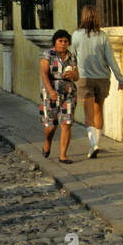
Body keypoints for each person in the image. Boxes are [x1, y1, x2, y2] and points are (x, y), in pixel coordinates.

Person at [72, 4, 123, 159]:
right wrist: (120, 79)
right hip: (102, 77)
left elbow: (73, 57)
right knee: (98, 110)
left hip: (84, 78)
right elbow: (111, 59)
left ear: (83, 17)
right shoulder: (102, 36)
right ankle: (97, 143)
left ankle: (93, 144)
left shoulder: (76, 36)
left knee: (88, 113)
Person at [39, 28, 79, 163]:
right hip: (51, 93)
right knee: (51, 126)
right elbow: (44, 75)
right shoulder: (48, 55)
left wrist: (73, 75)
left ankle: (63, 155)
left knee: (66, 123)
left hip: (68, 93)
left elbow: (77, 75)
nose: (63, 44)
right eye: (60, 41)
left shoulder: (72, 56)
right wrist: (51, 91)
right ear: (55, 42)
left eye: (66, 41)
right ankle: (47, 142)